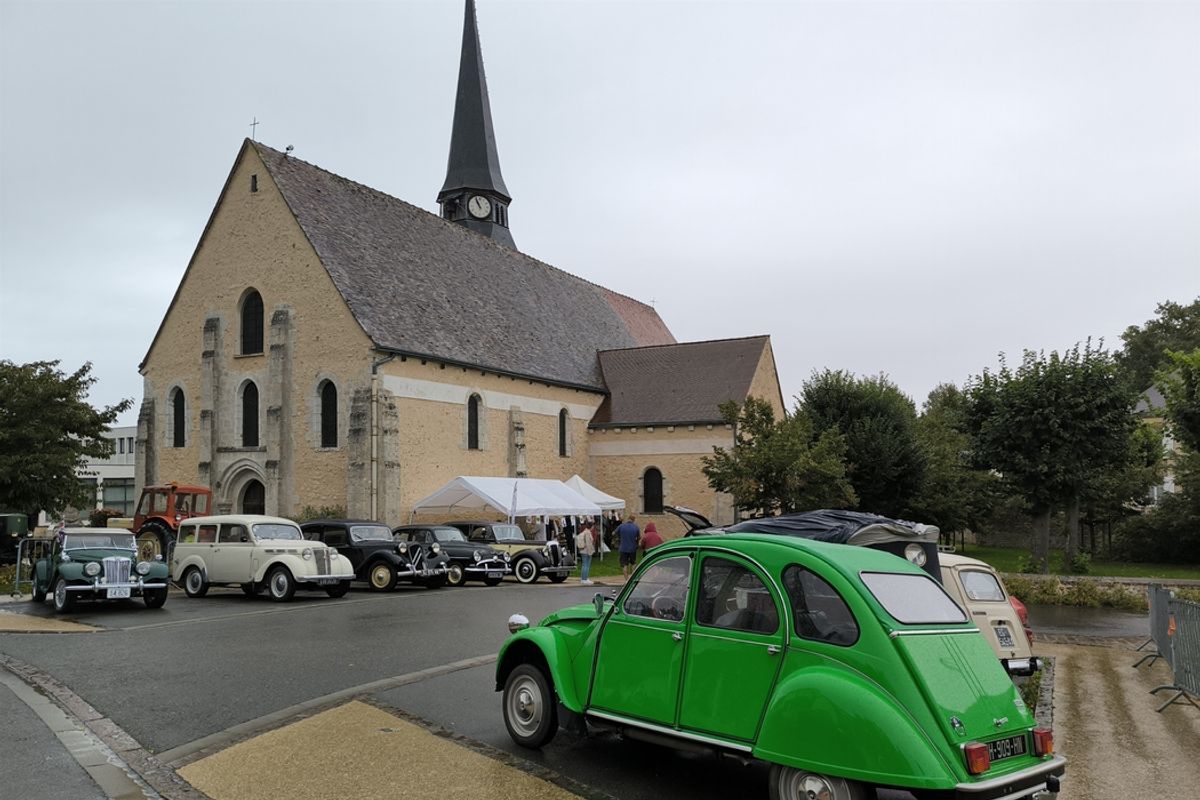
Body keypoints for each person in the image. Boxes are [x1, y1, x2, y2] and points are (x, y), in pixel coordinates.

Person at [615, 514, 641, 580]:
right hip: (632, 548)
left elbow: (614, 533)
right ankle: (633, 579)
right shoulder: (636, 527)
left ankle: (626, 580)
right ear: (633, 520)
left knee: (624, 564)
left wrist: (619, 537)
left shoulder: (621, 526)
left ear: (628, 519)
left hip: (623, 548)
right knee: (633, 563)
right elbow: (639, 537)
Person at [575, 520, 596, 585]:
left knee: (584, 565)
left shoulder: (584, 531)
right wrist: (591, 552)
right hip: (586, 551)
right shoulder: (588, 533)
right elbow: (588, 543)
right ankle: (584, 579)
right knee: (586, 565)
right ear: (591, 526)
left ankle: (584, 578)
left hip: (583, 550)